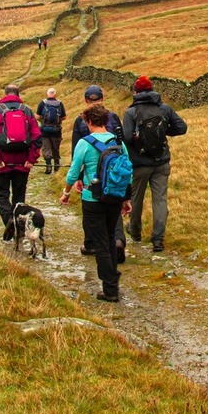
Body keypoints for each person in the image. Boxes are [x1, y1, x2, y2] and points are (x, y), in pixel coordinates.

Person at [61, 105, 132, 302]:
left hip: (92, 199)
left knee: (100, 242)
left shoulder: (84, 143)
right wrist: (126, 199)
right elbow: (127, 172)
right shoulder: (118, 143)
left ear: (89, 121)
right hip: (114, 198)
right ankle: (112, 279)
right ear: (106, 120)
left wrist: (66, 193)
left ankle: (110, 289)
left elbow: (74, 173)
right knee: (109, 238)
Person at [121, 75, 188, 253]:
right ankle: (158, 240)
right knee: (160, 199)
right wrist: (163, 132)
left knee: (137, 198)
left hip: (139, 164)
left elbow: (126, 137)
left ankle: (135, 232)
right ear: (152, 90)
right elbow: (182, 128)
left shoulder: (131, 112)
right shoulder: (164, 108)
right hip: (162, 161)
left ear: (135, 92)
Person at [70, 84, 123, 255]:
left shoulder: (81, 120)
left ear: (86, 100)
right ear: (103, 98)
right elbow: (121, 144)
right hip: (115, 171)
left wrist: (77, 176)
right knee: (114, 203)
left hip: (91, 175)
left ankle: (91, 242)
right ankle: (117, 239)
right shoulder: (113, 117)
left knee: (90, 206)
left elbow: (76, 152)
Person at [0, 84, 41, 240]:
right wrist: (31, 159)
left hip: (3, 163)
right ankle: (18, 226)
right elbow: (36, 137)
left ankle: (9, 219)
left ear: (5, 94)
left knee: (0, 193)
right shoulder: (26, 110)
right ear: (18, 94)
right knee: (19, 197)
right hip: (22, 164)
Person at [36, 87, 67, 174]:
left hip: (45, 130)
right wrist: (58, 121)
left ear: (47, 94)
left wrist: (43, 122)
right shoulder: (60, 103)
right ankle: (56, 165)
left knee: (46, 147)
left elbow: (37, 116)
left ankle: (48, 166)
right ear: (55, 94)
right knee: (55, 148)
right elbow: (64, 117)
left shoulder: (42, 103)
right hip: (56, 130)